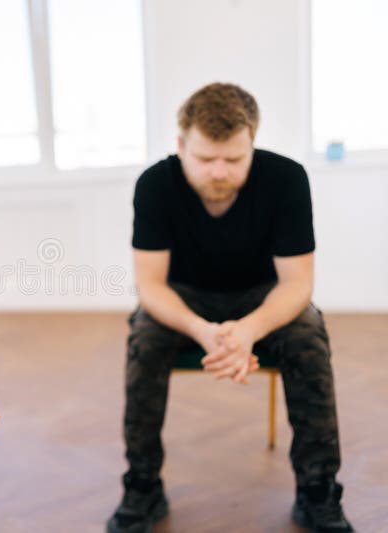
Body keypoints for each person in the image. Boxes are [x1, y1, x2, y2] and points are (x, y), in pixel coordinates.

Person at [106, 83, 353, 533]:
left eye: (234, 159)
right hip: (185, 297)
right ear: (181, 145)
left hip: (263, 294)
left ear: (252, 144)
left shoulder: (287, 178)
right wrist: (204, 330)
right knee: (145, 335)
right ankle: (142, 486)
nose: (219, 171)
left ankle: (318, 490)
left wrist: (248, 329)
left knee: (308, 334)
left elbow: (297, 284)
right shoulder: (155, 185)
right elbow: (150, 286)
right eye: (204, 159)